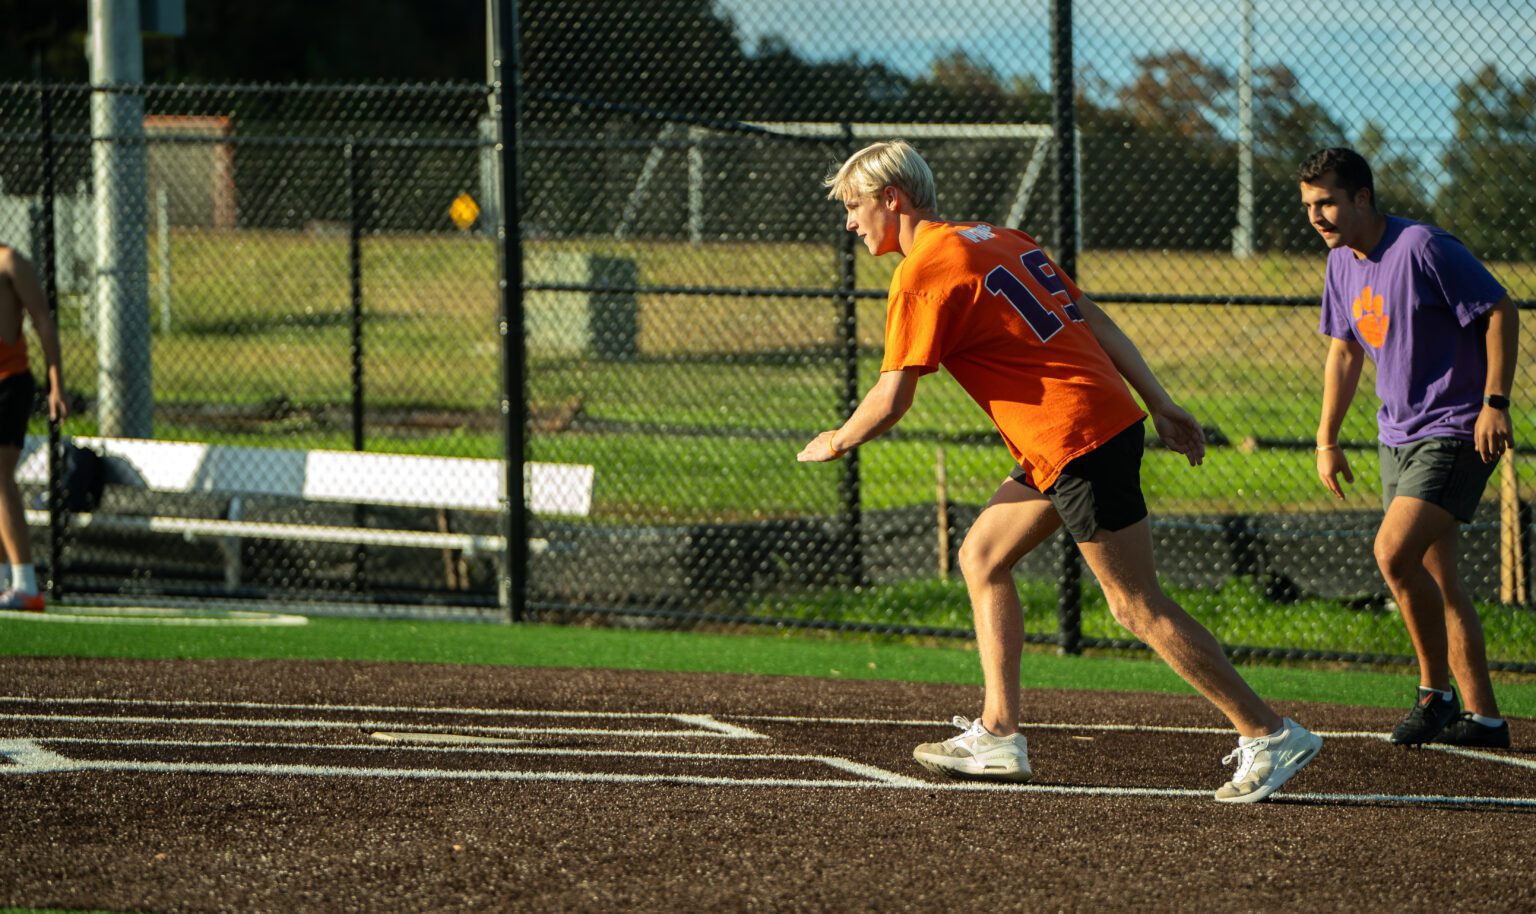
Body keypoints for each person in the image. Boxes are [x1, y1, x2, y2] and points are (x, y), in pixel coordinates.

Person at [801, 140, 1321, 803]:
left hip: (1078, 437)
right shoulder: (1000, 238)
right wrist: (1158, 401)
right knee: (983, 556)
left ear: (890, 199)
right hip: (1069, 438)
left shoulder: (924, 269)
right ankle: (997, 734)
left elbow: (892, 398)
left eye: (853, 206)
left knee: (1134, 605)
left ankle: (1268, 733)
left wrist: (837, 441)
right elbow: (1093, 319)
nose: (850, 222)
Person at [1300, 147, 1514, 749]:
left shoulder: (1423, 246)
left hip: (1455, 429)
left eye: (1328, 202)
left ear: (1362, 197)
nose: (1317, 216)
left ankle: (1434, 694)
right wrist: (1327, 439)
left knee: (1392, 554)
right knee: (1436, 578)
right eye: (1309, 205)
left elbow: (1499, 309)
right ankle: (1489, 720)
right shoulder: (1340, 262)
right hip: (1397, 434)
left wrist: (1495, 404)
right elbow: (1343, 352)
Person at [0, 244, 68, 612]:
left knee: (0, 475)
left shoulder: (9, 261)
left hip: (8, 382)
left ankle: (26, 585)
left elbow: (42, 318)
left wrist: (55, 380)